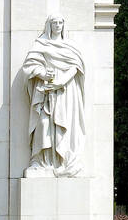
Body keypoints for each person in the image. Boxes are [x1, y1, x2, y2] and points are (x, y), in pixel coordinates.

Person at [21, 14, 87, 178]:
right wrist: (43, 73)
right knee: (43, 124)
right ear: (49, 25)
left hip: (65, 91)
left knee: (63, 126)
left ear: (64, 25)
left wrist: (61, 81)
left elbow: (77, 66)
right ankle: (40, 161)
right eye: (54, 22)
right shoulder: (40, 44)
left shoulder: (70, 46)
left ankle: (62, 162)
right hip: (45, 91)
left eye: (60, 22)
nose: (58, 25)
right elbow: (30, 65)